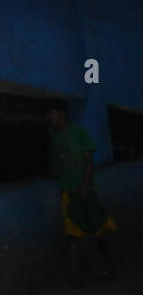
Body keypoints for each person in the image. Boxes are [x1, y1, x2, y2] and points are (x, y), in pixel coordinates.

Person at [47, 102, 115, 285]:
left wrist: (85, 184)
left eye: (52, 113)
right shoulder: (54, 135)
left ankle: (108, 263)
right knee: (72, 233)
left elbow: (89, 161)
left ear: (61, 113)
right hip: (68, 190)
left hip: (86, 190)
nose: (50, 117)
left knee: (97, 229)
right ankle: (75, 275)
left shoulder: (79, 133)